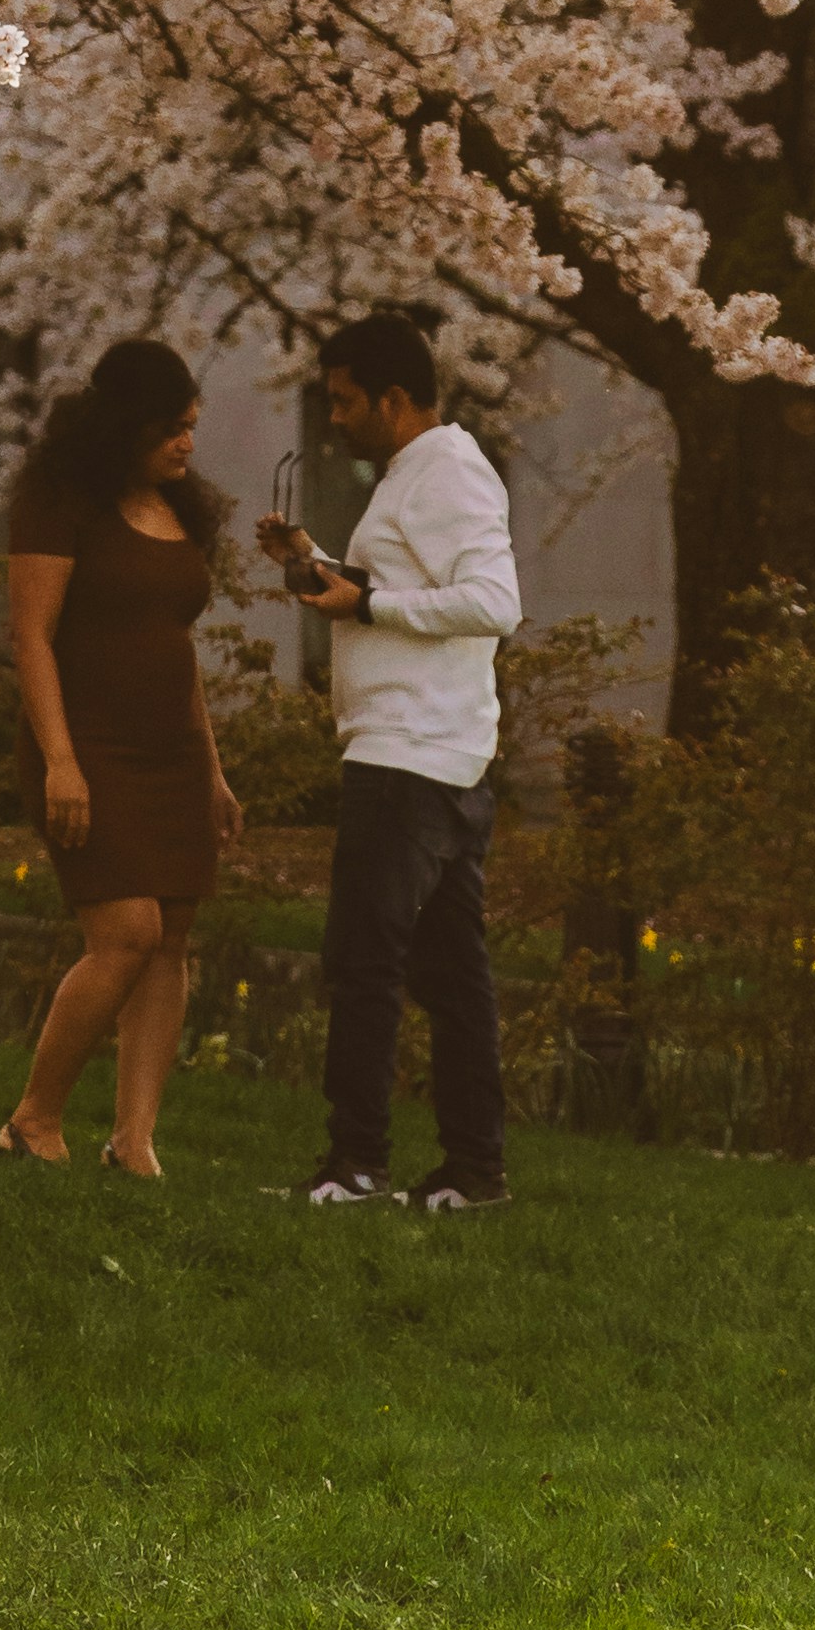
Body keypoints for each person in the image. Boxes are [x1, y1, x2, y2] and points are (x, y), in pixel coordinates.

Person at [261, 305, 520, 1218]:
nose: (333, 419)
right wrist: (319, 568)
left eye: (344, 402)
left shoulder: (443, 469)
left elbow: (495, 601)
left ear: (396, 398)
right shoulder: (420, 472)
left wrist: (366, 609)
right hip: (437, 754)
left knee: (364, 960)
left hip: (408, 756)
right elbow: (412, 592)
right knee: (451, 977)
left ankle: (357, 1163)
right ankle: (472, 1171)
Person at [0, 337, 234, 1178]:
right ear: (127, 425)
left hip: (170, 749)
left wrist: (211, 770)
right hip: (86, 744)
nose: (187, 443)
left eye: (192, 426)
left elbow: (176, 648)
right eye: (172, 427)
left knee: (169, 937)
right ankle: (34, 1118)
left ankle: (134, 1141)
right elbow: (30, 637)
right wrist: (61, 760)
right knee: (126, 931)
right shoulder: (60, 501)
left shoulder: (181, 509)